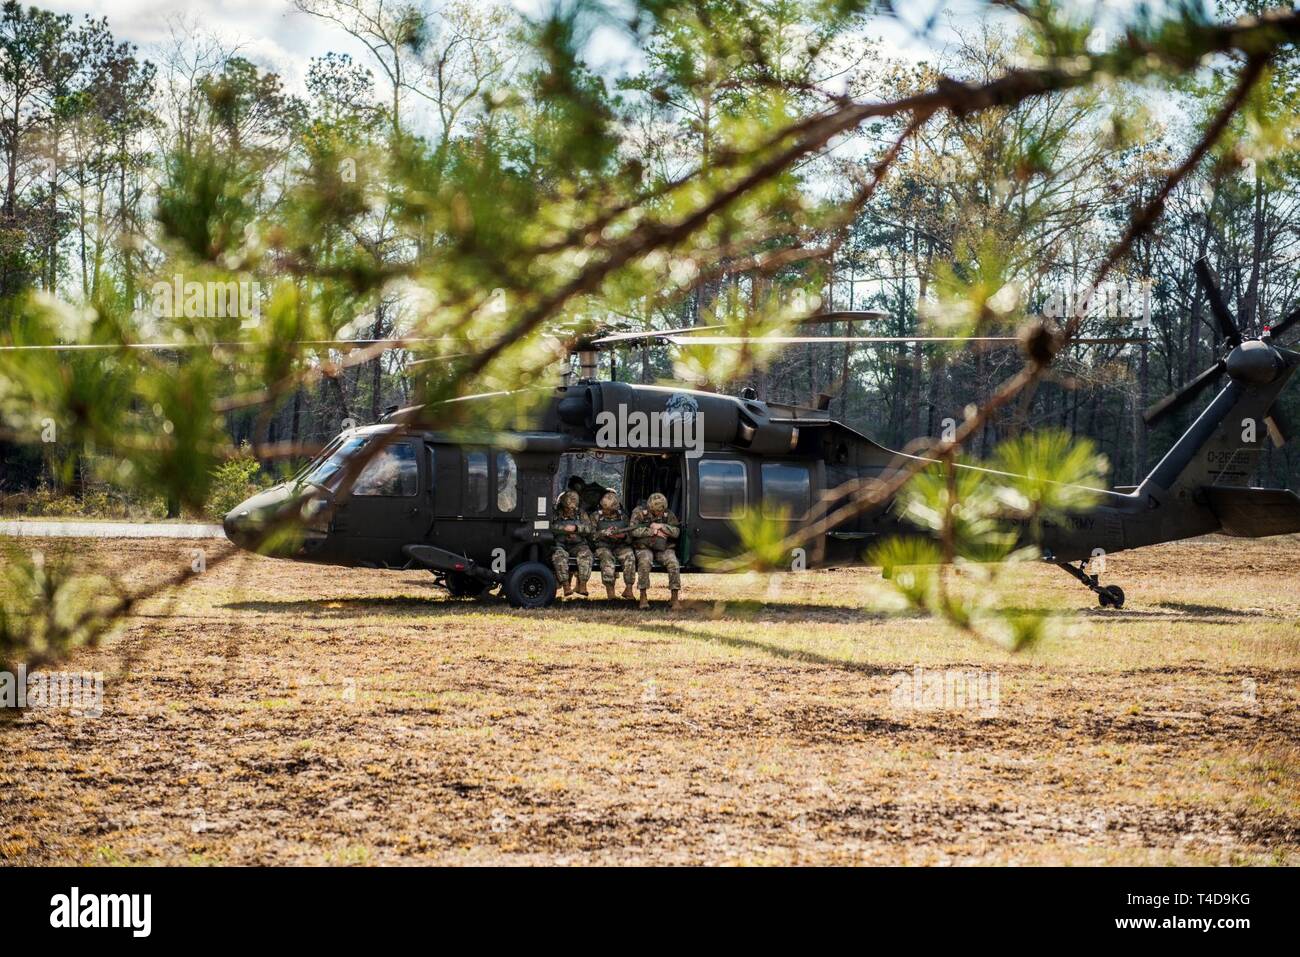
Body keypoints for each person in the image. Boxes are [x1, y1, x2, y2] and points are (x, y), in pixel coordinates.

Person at [629, 491, 682, 610]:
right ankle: (643, 596)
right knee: (645, 561)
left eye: (661, 511)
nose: (659, 513)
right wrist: (652, 531)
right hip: (644, 547)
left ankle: (674, 598)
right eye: (656, 511)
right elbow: (633, 531)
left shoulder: (668, 514)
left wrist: (662, 526)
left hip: (663, 548)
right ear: (650, 507)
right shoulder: (639, 512)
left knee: (673, 562)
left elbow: (677, 532)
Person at [591, 490, 636, 600]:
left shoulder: (624, 517)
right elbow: (589, 535)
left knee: (629, 556)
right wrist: (603, 533)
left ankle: (628, 589)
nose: (606, 512)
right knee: (607, 559)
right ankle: (610, 592)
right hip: (603, 546)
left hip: (620, 545)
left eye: (609, 510)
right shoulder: (596, 516)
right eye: (604, 509)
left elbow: (631, 537)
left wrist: (622, 536)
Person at [551, 490, 593, 597]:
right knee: (559, 557)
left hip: (578, 544)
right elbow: (548, 527)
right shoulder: (555, 513)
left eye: (572, 508)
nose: (570, 510)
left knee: (586, 554)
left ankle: (582, 584)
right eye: (567, 508)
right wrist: (563, 529)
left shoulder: (581, 513)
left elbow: (589, 529)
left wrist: (576, 528)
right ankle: (566, 585)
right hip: (560, 544)